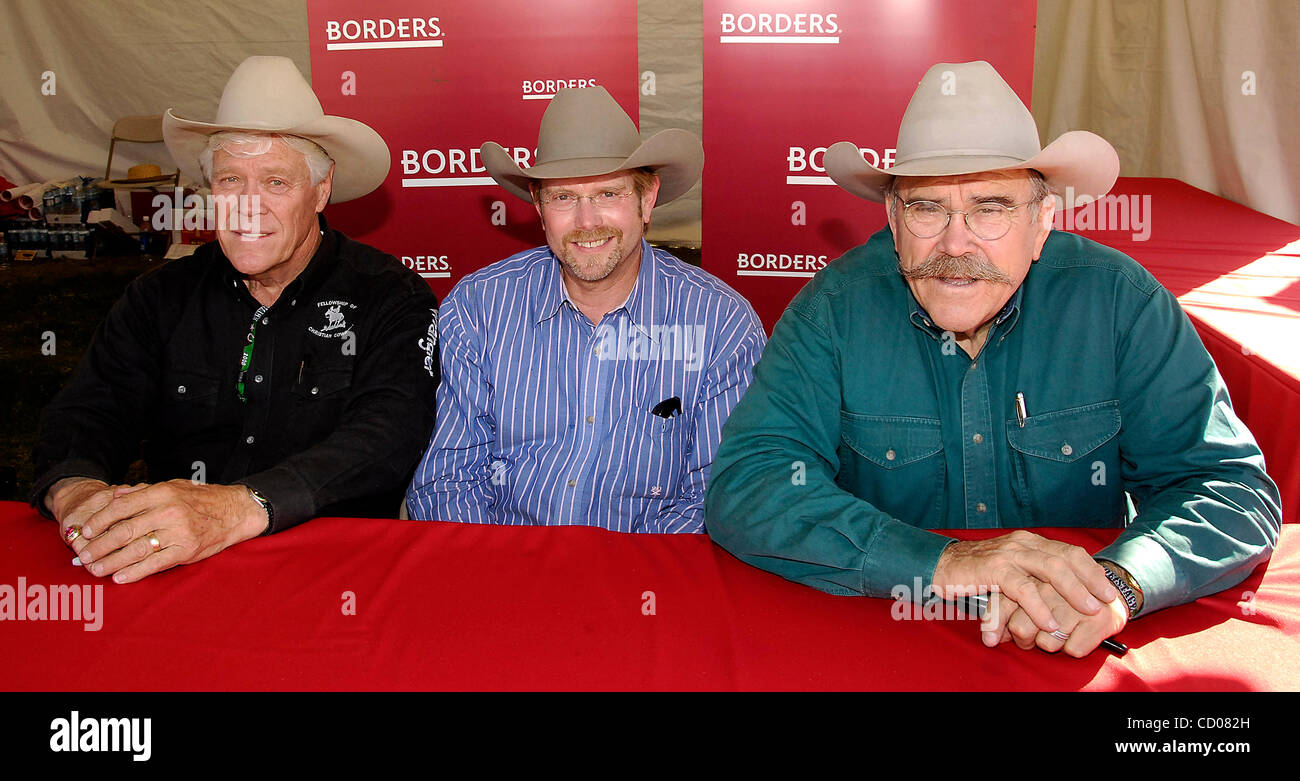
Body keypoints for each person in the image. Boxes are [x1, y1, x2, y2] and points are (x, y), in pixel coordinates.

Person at [705, 61, 1281, 656]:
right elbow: (751, 484)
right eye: (928, 208)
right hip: (889, 644)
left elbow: (1228, 486)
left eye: (992, 208)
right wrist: (948, 563)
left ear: (1042, 222)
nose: (957, 243)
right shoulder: (833, 310)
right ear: (893, 221)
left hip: (1071, 639)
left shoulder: (1120, 304)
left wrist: (1116, 584)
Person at [31, 56, 440, 583]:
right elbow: (88, 412)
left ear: (320, 190)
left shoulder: (390, 295)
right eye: (230, 180)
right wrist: (78, 492)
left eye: (275, 182)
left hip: (337, 571)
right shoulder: (159, 297)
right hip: (177, 569)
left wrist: (234, 509)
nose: (248, 207)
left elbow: (389, 436)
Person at [406, 86, 765, 532]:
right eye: (563, 198)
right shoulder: (479, 307)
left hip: (650, 580)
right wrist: (497, 576)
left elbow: (714, 495)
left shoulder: (721, 322)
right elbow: (448, 478)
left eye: (608, 194)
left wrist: (629, 589)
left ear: (647, 199)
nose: (587, 221)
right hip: (504, 569)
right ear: (538, 206)